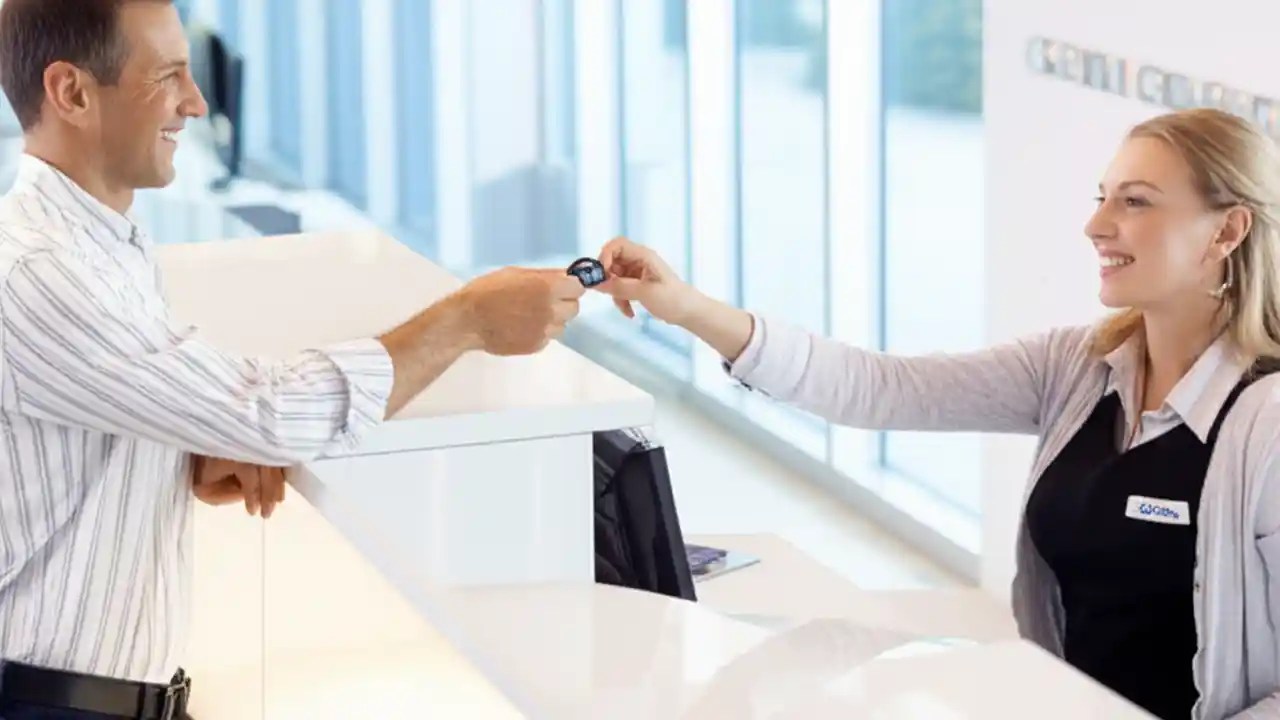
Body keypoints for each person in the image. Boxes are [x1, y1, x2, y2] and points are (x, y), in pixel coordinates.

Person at [594, 106, 1280, 720]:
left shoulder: (1266, 425)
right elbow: (877, 388)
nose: (1096, 225)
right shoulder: (1078, 367)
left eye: (1136, 202)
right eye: (1103, 198)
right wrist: (683, 307)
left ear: (1228, 231)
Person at [0, 1, 584, 718]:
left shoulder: (100, 246)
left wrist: (181, 454)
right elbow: (273, 412)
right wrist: (466, 321)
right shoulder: (38, 274)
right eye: (169, 76)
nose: (195, 102)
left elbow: (81, 426)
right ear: (73, 93)